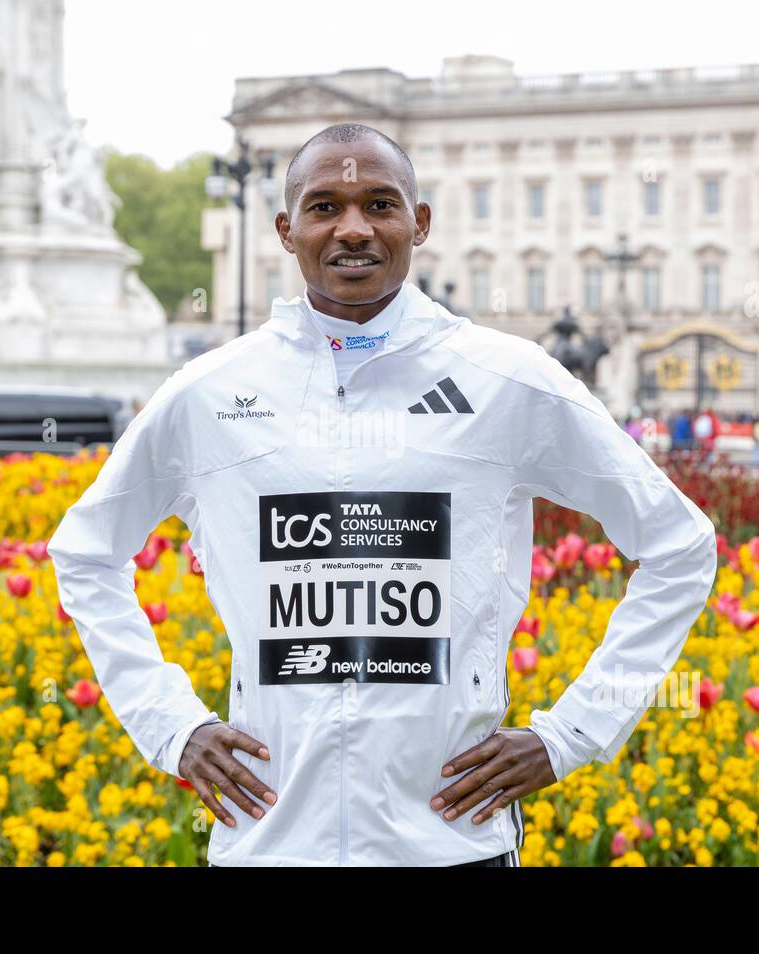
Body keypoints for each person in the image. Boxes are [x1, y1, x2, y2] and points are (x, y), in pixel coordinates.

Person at [47, 123, 719, 867]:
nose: (354, 229)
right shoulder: (210, 393)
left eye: (380, 204)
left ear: (420, 222)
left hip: (451, 845)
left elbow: (679, 547)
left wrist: (571, 734)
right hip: (270, 844)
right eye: (325, 206)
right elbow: (86, 552)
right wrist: (170, 726)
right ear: (286, 230)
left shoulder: (508, 377)